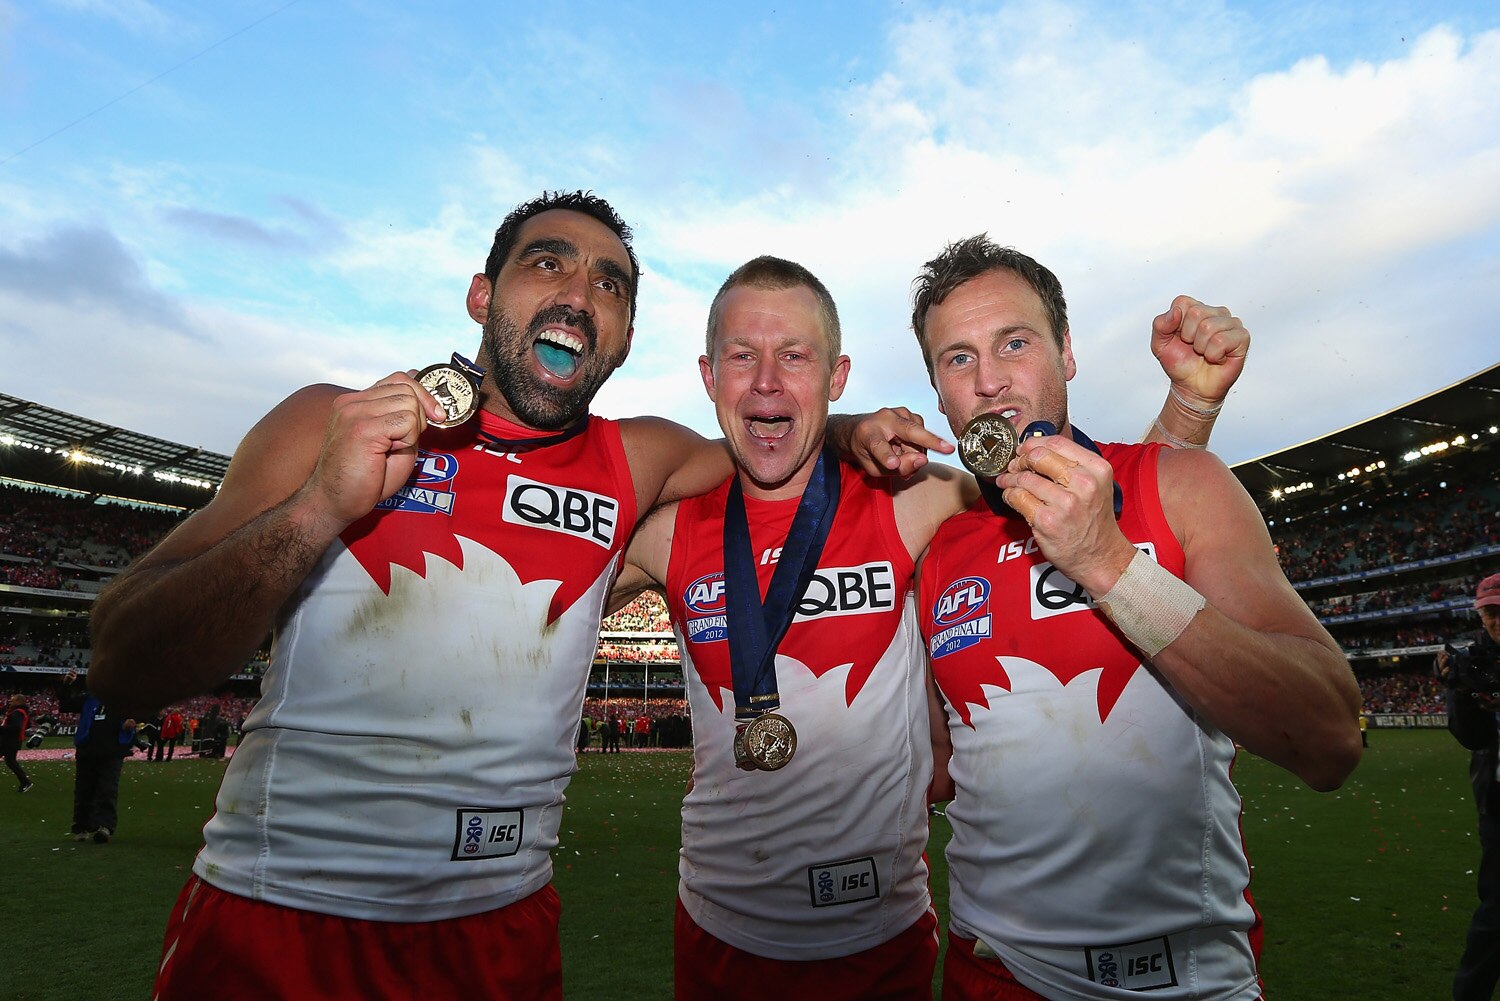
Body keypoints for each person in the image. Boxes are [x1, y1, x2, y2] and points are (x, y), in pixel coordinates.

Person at [86, 191, 895, 1001]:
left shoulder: (640, 458)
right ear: (481, 294)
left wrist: (846, 424)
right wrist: (318, 509)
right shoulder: (331, 423)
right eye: (547, 263)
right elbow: (121, 662)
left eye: (609, 286)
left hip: (501, 932)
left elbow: (769, 432)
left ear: (625, 339)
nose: (578, 295)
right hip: (281, 916)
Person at [611, 255, 1248, 1000]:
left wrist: (1187, 415)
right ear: (708, 374)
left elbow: (1102, 510)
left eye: (796, 358)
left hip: (882, 941)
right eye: (742, 357)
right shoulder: (663, 533)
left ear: (836, 374)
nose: (767, 381)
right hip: (719, 932)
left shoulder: (918, 497)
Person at [909, 236, 1363, 1000]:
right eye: (957, 359)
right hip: (990, 977)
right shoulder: (944, 549)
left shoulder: (1184, 482)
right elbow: (942, 766)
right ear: (939, 391)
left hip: (1183, 984)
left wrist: (1107, 564)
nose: (989, 380)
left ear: (1068, 354)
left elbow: (1329, 739)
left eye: (1013, 342)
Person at [1441, 573, 1500, 1001]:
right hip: (1498, 798)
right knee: (1496, 910)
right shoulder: (1474, 661)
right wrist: (1459, 691)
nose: (1496, 621)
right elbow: (1471, 736)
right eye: (1490, 612)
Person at [58, 671, 137, 843]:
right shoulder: (89, 699)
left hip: (112, 752)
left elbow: (139, 716)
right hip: (88, 750)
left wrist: (130, 724)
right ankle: (82, 826)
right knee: (84, 791)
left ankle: (104, 826)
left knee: (107, 790)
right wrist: (66, 685)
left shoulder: (124, 701)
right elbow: (64, 705)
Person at [2, 693, 32, 792]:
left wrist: (1, 729)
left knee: (11, 762)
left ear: (19, 701)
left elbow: (16, 727)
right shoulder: (22, 712)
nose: (11, 702)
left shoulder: (17, 713)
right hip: (13, 741)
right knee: (11, 762)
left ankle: (26, 782)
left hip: (8, 741)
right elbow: (27, 725)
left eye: (13, 700)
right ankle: (25, 782)